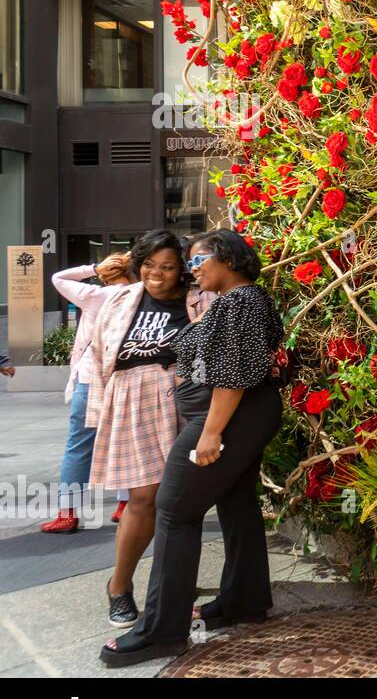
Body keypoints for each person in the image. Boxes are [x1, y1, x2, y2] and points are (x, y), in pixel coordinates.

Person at [101, 229, 284, 667]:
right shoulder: (237, 301)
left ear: (227, 260)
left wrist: (210, 432)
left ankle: (162, 631)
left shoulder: (240, 301)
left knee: (174, 509)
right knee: (236, 501)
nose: (191, 269)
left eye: (199, 261)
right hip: (241, 413)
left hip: (227, 415)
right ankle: (243, 600)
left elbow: (234, 374)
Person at [85, 231, 213, 629]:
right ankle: (119, 586)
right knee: (143, 498)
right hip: (131, 398)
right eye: (150, 265)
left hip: (181, 398)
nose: (157, 274)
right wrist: (98, 412)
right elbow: (99, 352)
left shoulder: (200, 300)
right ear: (139, 263)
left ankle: (169, 583)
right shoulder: (121, 298)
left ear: (182, 270)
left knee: (177, 499)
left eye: (168, 266)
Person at [41, 254, 135, 533]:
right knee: (127, 440)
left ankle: (68, 512)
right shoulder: (142, 295)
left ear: (107, 272)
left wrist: (91, 269)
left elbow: (58, 278)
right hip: (127, 375)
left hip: (91, 377)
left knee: (79, 446)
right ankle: (125, 504)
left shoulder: (95, 294)